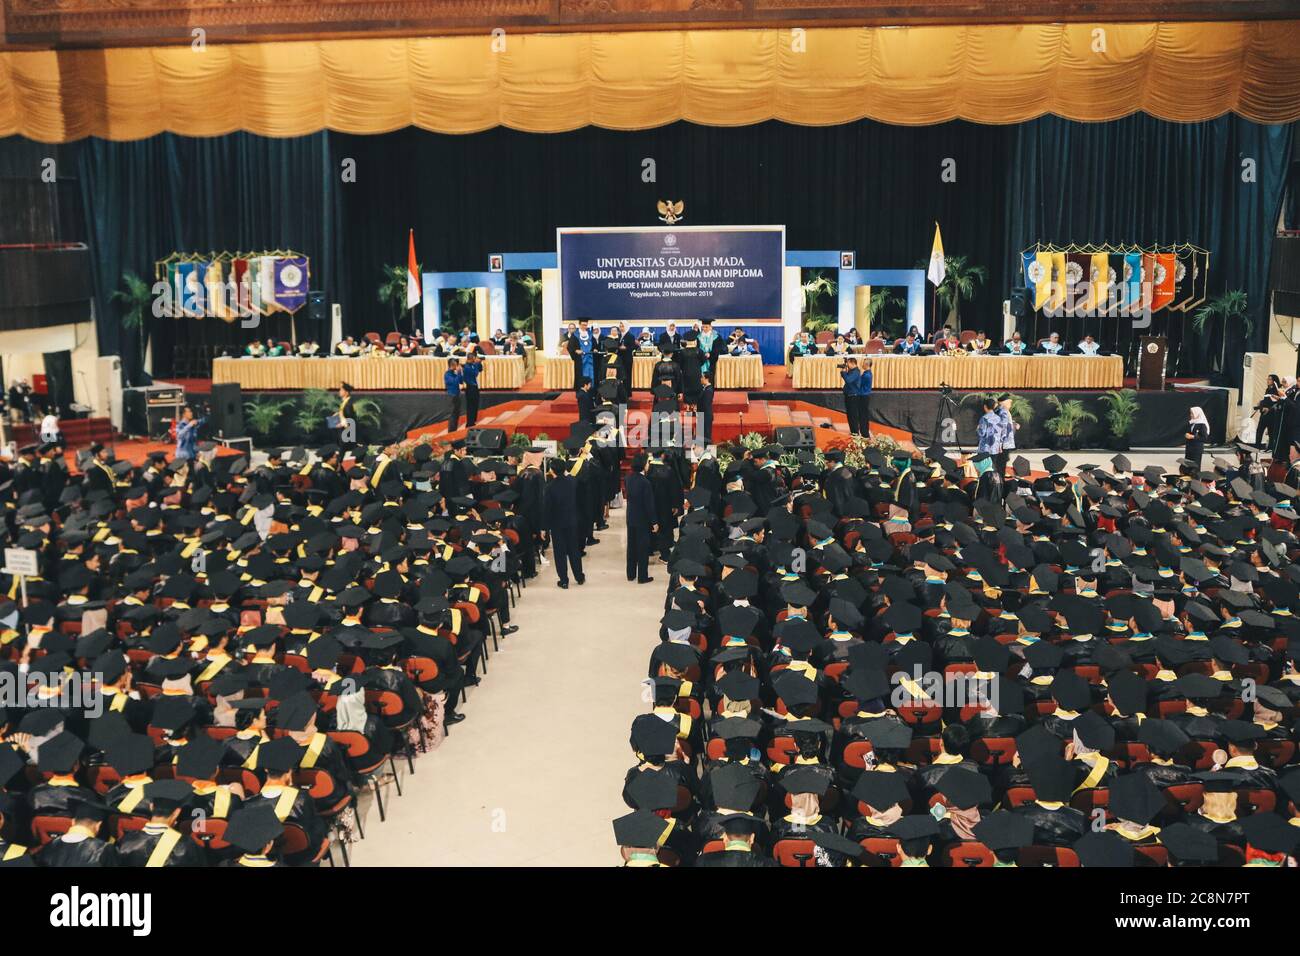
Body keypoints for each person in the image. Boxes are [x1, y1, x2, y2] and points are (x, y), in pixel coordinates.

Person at [542, 458, 583, 588]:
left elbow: (546, 509)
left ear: (551, 470)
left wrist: (544, 528)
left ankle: (564, 580)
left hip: (556, 524)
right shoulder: (572, 482)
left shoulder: (549, 487)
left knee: (560, 552)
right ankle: (579, 576)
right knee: (574, 550)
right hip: (572, 521)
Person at [624, 453, 656, 584]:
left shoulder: (628, 479)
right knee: (642, 548)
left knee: (631, 546)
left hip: (631, 516)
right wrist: (654, 522)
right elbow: (649, 504)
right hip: (642, 519)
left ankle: (630, 574)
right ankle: (642, 576)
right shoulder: (645, 482)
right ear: (643, 465)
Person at [840, 357, 862, 436]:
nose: (847, 365)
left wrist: (843, 373)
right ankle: (853, 431)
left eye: (848, 363)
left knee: (853, 415)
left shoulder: (856, 372)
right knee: (850, 415)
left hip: (853, 396)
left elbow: (848, 380)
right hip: (849, 395)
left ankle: (855, 432)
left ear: (853, 363)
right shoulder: (852, 371)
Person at [1185, 406, 1210, 471]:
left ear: (1197, 414)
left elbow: (1204, 438)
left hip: (1196, 449)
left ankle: (1195, 480)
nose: (1191, 415)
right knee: (1188, 466)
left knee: (1195, 467)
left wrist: (1193, 437)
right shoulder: (1192, 422)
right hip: (1190, 447)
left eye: (1192, 413)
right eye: (1190, 413)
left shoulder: (1202, 424)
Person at [462, 351, 482, 428]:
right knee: (471, 406)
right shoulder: (467, 367)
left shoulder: (473, 365)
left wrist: (479, 363)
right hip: (470, 387)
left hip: (475, 387)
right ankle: (469, 422)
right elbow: (475, 373)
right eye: (474, 358)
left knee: (475, 404)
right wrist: (476, 364)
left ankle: (473, 421)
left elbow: (480, 369)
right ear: (471, 359)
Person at [334, 382, 356, 452]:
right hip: (343, 431)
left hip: (346, 432)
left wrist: (341, 424)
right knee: (341, 451)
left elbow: (350, 418)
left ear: (346, 392)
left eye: (341, 390)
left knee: (342, 450)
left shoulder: (348, 404)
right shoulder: (344, 402)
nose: (339, 391)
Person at [444, 358, 464, 433]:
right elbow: (455, 382)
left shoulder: (454, 373)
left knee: (457, 414)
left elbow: (461, 381)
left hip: (457, 395)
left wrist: (460, 373)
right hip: (452, 396)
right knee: (453, 415)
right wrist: (458, 373)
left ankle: (454, 431)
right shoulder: (447, 374)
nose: (457, 366)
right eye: (456, 364)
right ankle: (451, 432)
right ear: (452, 365)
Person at [696, 370, 715, 446]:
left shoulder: (709, 390)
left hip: (705, 416)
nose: (700, 379)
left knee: (706, 436)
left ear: (706, 379)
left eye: (702, 377)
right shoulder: (705, 388)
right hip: (703, 415)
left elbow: (706, 405)